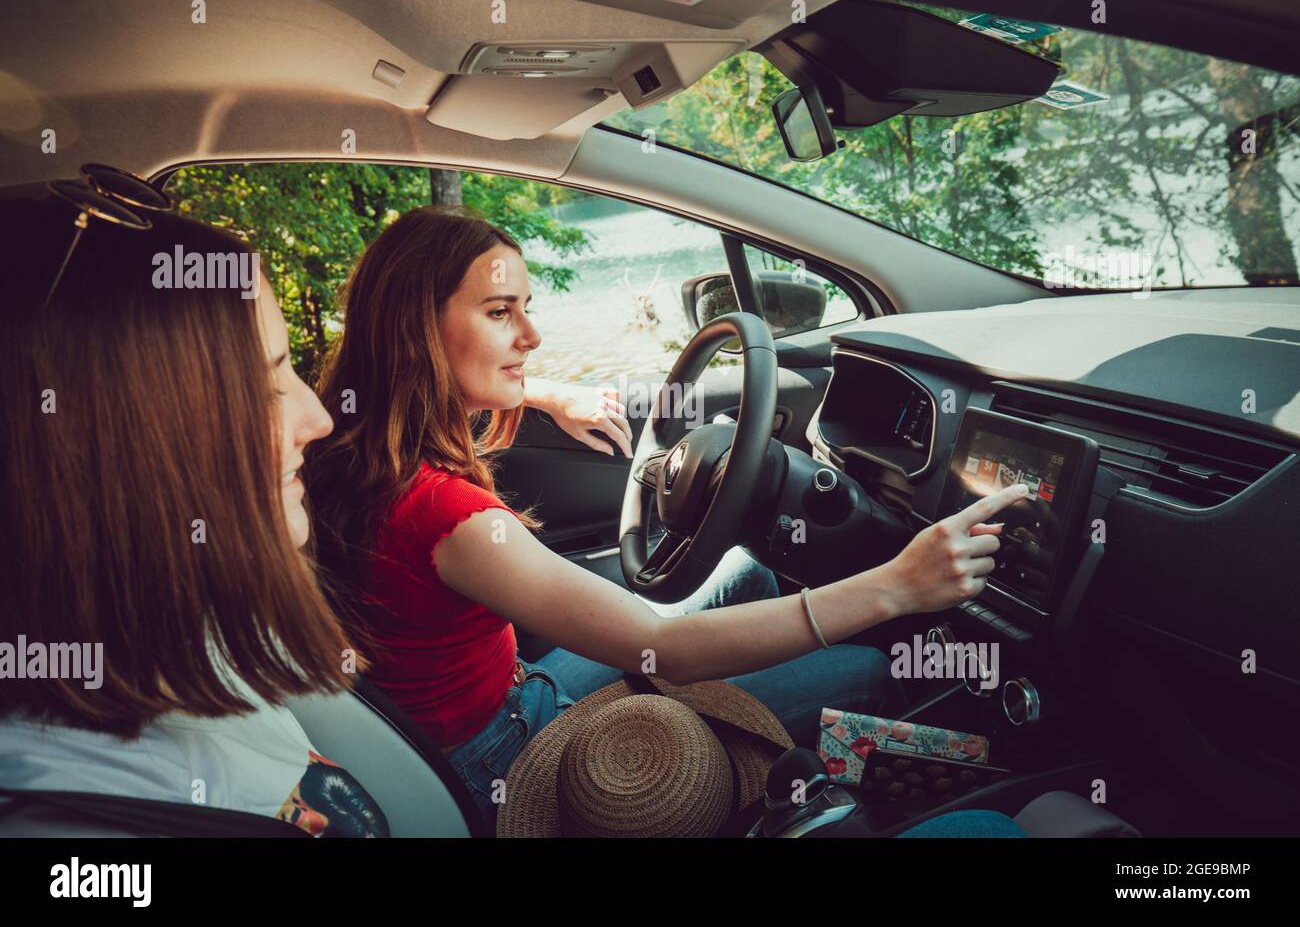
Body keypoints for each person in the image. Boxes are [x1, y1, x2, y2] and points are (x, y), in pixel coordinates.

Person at [304, 206, 1028, 834]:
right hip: (504, 748)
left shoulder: (338, 441)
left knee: (743, 570)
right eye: (500, 313)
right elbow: (663, 648)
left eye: (527, 307)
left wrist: (551, 396)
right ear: (415, 331)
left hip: (488, 703)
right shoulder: (443, 510)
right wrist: (896, 587)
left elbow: (487, 373)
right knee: (869, 666)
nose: (531, 336)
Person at [0, 171, 387, 837]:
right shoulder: (83, 826)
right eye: (264, 388)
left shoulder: (189, 627)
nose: (319, 417)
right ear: (117, 446)